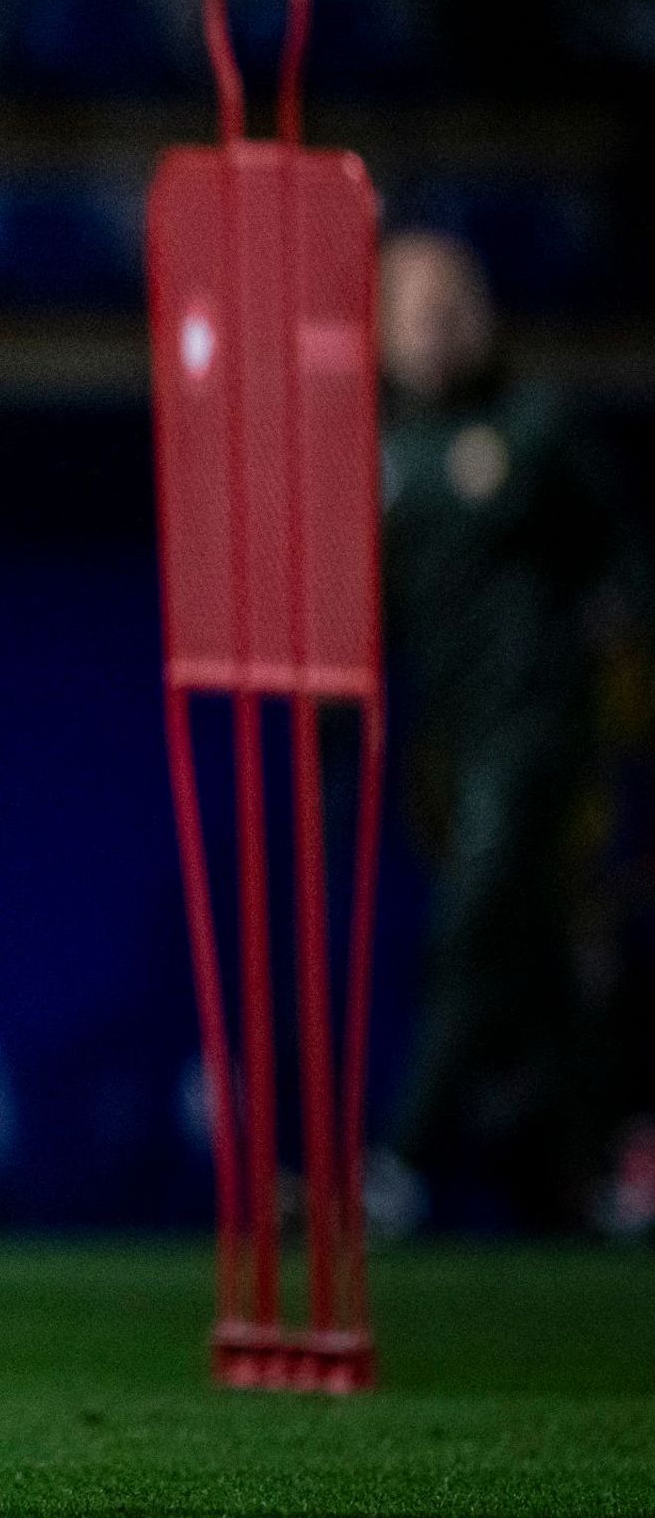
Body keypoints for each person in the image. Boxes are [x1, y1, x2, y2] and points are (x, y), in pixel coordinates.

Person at [371, 229, 646, 1234]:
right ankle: (616, 1158)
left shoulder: (534, 431)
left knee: (472, 921)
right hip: (455, 736)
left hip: (541, 727)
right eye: (412, 309)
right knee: (526, 955)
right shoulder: (381, 460)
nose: (435, 328)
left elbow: (618, 559)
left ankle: (396, 1160)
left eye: (450, 304)